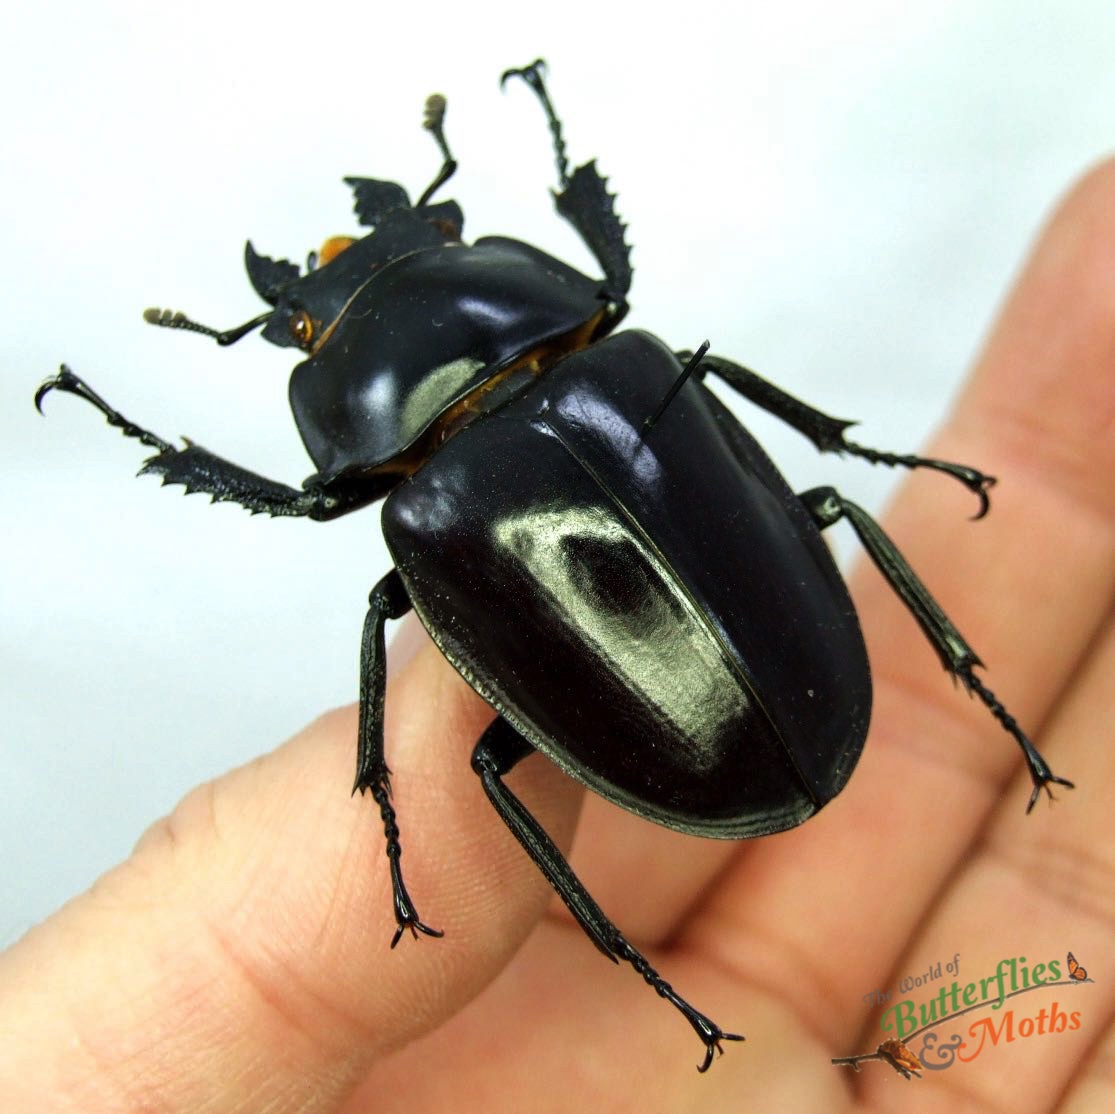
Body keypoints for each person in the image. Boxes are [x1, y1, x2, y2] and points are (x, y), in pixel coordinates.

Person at [3, 162, 1112, 1112]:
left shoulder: (432, 510)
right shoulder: (608, 382)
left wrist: (146, 438)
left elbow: (305, 500)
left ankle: (629, 958)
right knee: (825, 501)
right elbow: (609, 286)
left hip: (736, 726)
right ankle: (644, 946)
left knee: (488, 765)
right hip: (755, 706)